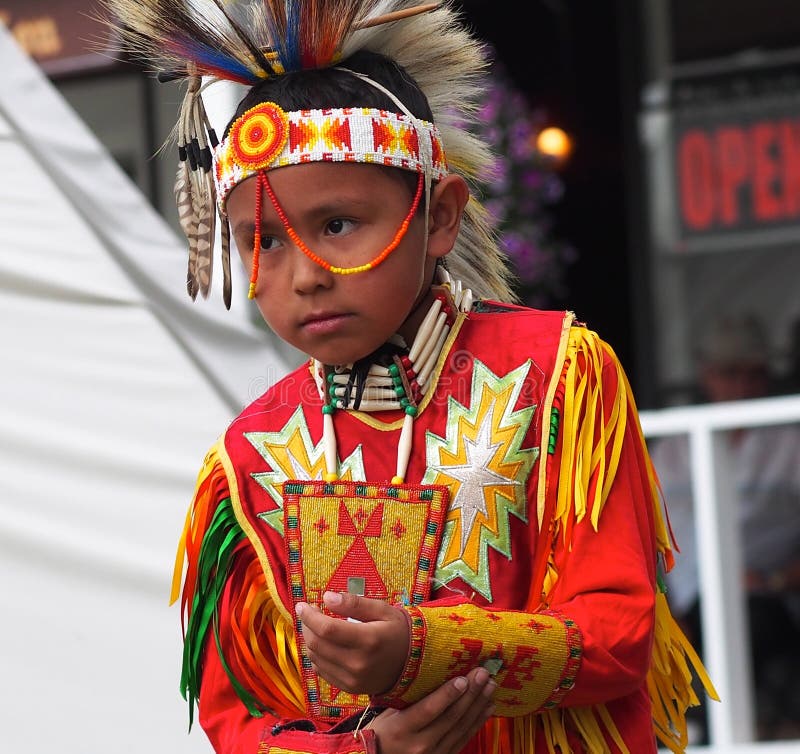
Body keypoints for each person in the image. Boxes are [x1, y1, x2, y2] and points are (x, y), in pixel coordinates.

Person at [105, 2, 715, 752]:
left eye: (336, 225)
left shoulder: (554, 376)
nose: (304, 277)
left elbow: (620, 633)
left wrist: (427, 650)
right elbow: (238, 721)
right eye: (261, 240)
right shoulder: (247, 460)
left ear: (442, 217)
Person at [651, 312, 800, 741]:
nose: (741, 386)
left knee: (743, 626)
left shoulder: (790, 442)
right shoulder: (673, 446)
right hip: (681, 607)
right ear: (706, 374)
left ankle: (709, 733)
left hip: (766, 602)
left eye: (753, 374)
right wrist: (663, 603)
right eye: (728, 373)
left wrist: (773, 579)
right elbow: (647, 541)